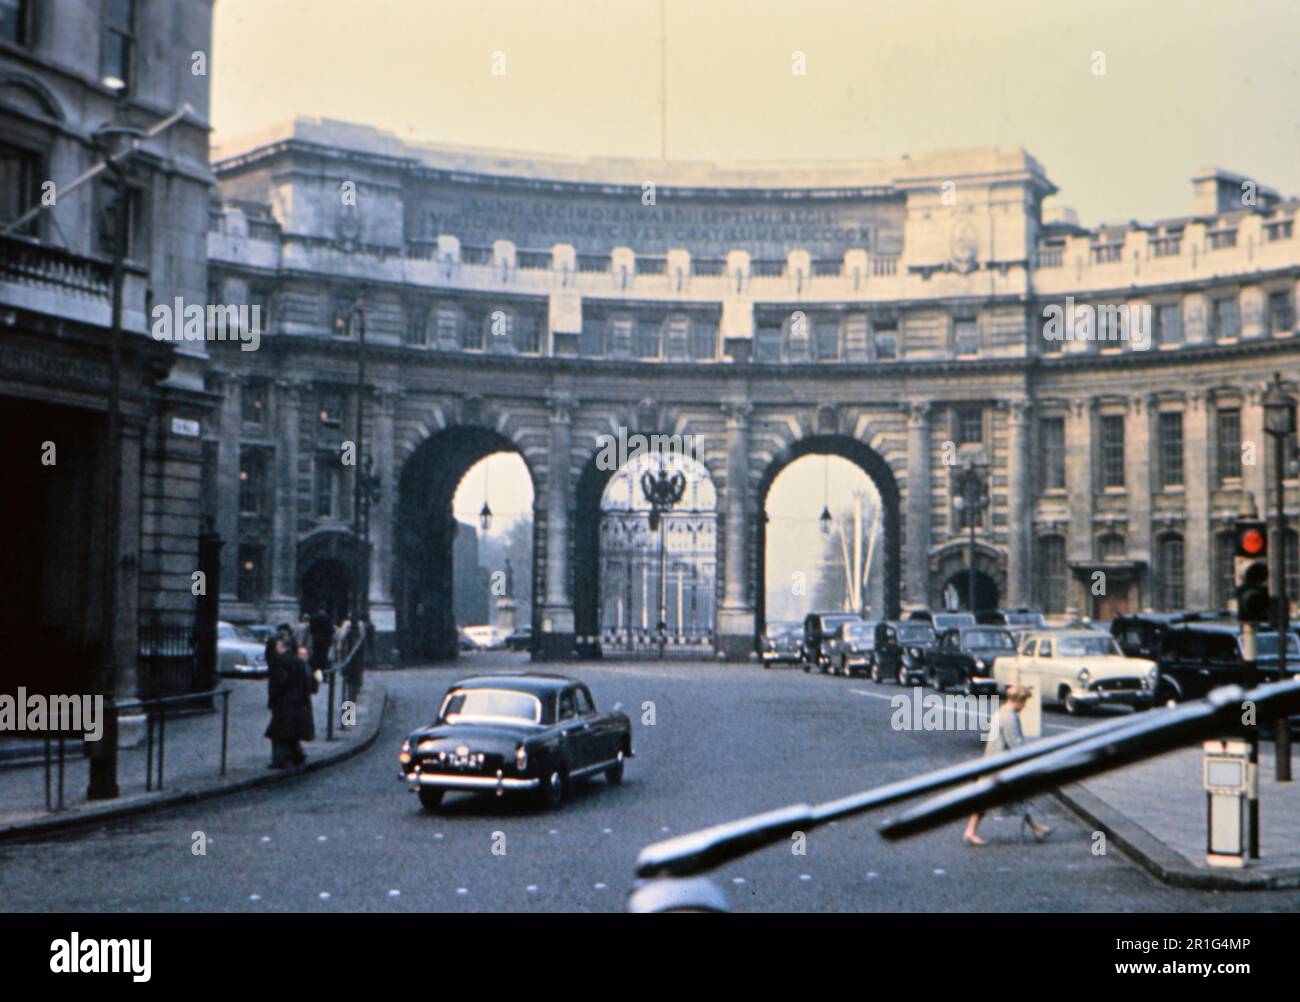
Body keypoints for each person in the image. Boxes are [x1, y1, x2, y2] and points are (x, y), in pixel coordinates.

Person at [963, 684, 1053, 846]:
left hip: (993, 763)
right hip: (1000, 766)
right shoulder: (1010, 717)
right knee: (1003, 797)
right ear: (1018, 701)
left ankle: (1037, 828)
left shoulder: (1002, 712)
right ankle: (970, 831)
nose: (1025, 706)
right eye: (1025, 702)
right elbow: (1015, 744)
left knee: (1015, 797)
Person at [265, 624, 318, 769]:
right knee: (290, 732)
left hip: (283, 703)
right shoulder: (299, 663)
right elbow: (309, 684)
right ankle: (297, 756)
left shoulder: (279, 662)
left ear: (282, 646)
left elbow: (278, 684)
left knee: (279, 733)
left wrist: (272, 700)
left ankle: (280, 760)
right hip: (298, 704)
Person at [308, 605, 333, 674]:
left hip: (315, 639)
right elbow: (330, 630)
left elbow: (311, 630)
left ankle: (314, 670)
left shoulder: (313, 617)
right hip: (325, 641)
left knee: (316, 655)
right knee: (323, 656)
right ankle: (323, 673)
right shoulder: (327, 618)